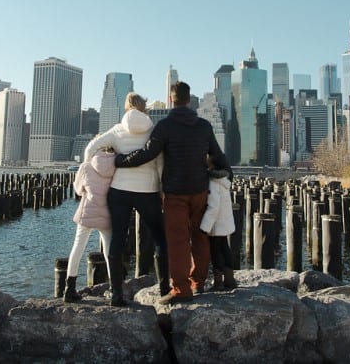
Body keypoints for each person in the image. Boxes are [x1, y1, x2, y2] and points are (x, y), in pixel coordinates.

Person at [116, 81, 231, 305]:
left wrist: (121, 161)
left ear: (171, 99)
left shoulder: (165, 126)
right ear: (189, 100)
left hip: (175, 193)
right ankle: (199, 282)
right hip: (199, 190)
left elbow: (147, 154)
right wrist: (229, 173)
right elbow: (218, 155)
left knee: (178, 241)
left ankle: (181, 289)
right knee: (200, 236)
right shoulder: (204, 126)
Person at [84, 92, 167, 306]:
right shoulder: (152, 130)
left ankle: (116, 293)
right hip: (148, 191)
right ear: (144, 107)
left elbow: (90, 148)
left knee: (117, 239)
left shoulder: (117, 130)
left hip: (119, 190)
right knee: (159, 238)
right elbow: (159, 162)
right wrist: (161, 189)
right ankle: (165, 289)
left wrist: (89, 173)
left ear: (127, 107)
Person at [62, 148, 115, 303]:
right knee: (108, 251)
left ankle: (69, 289)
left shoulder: (86, 166)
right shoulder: (115, 166)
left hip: (87, 213)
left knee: (77, 248)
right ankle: (113, 288)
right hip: (106, 214)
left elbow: (78, 190)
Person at [199, 164, 237, 291]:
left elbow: (213, 208)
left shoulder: (212, 184)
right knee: (225, 249)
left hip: (215, 225)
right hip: (224, 223)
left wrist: (204, 227)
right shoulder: (223, 182)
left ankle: (218, 282)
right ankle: (230, 279)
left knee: (215, 253)